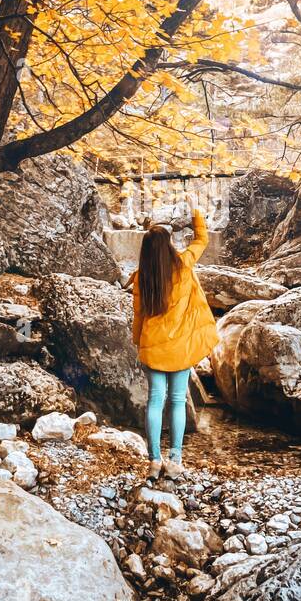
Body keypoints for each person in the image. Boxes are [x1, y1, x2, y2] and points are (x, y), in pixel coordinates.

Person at [131, 201, 218, 480]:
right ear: (169, 246)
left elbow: (138, 315)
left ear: (145, 252)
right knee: (178, 401)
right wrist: (195, 211)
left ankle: (154, 460)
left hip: (153, 347)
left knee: (155, 401)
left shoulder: (141, 277)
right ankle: (176, 459)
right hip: (180, 347)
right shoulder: (183, 265)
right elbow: (202, 238)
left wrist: (138, 342)